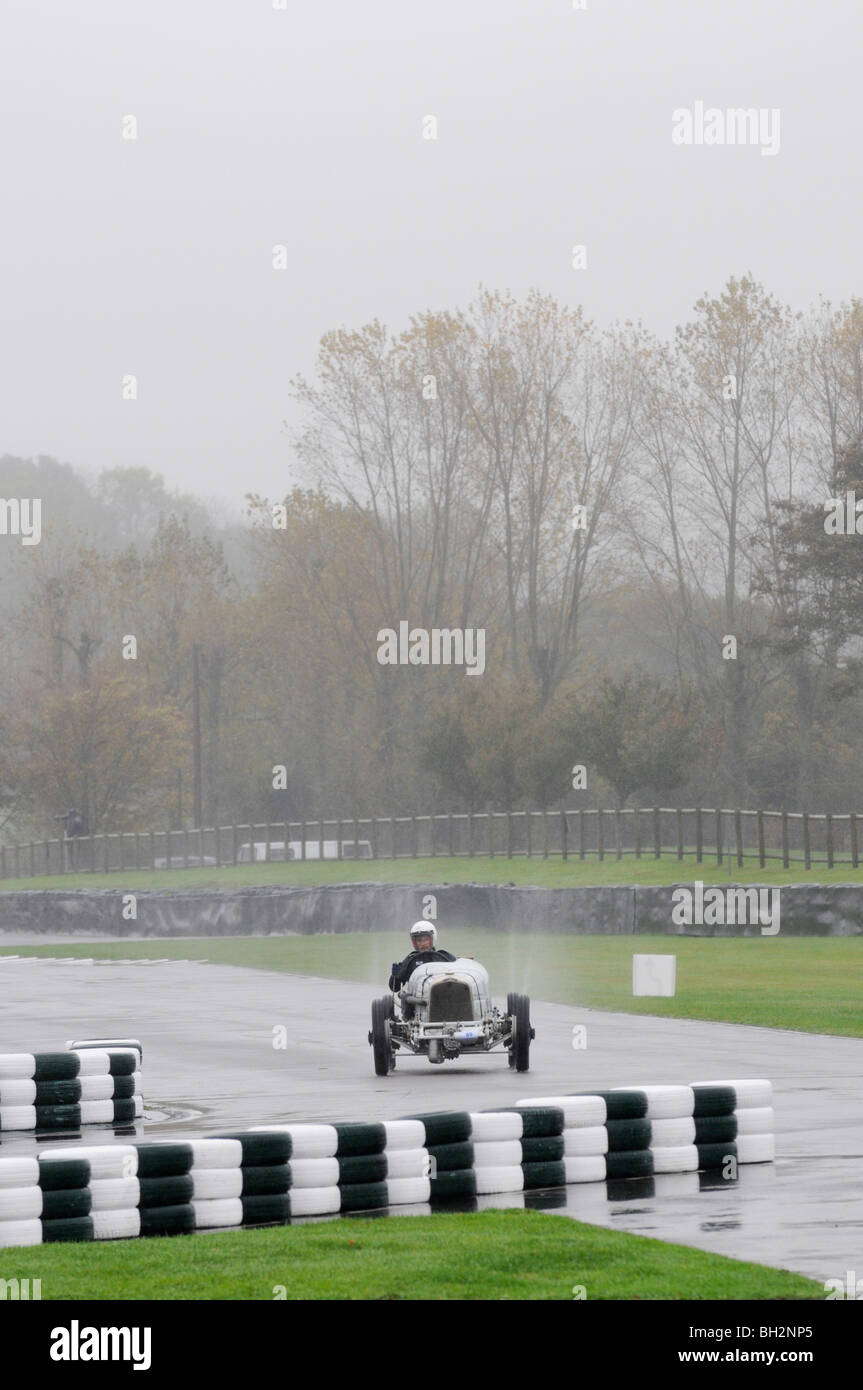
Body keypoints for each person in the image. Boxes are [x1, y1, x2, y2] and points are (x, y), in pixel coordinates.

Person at [388, 922, 455, 991]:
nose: (422, 944)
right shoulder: (410, 961)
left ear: (432, 938)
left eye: (425, 940)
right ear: (414, 942)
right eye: (419, 940)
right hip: (417, 1000)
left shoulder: (444, 957)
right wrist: (394, 976)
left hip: (442, 995)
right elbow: (395, 988)